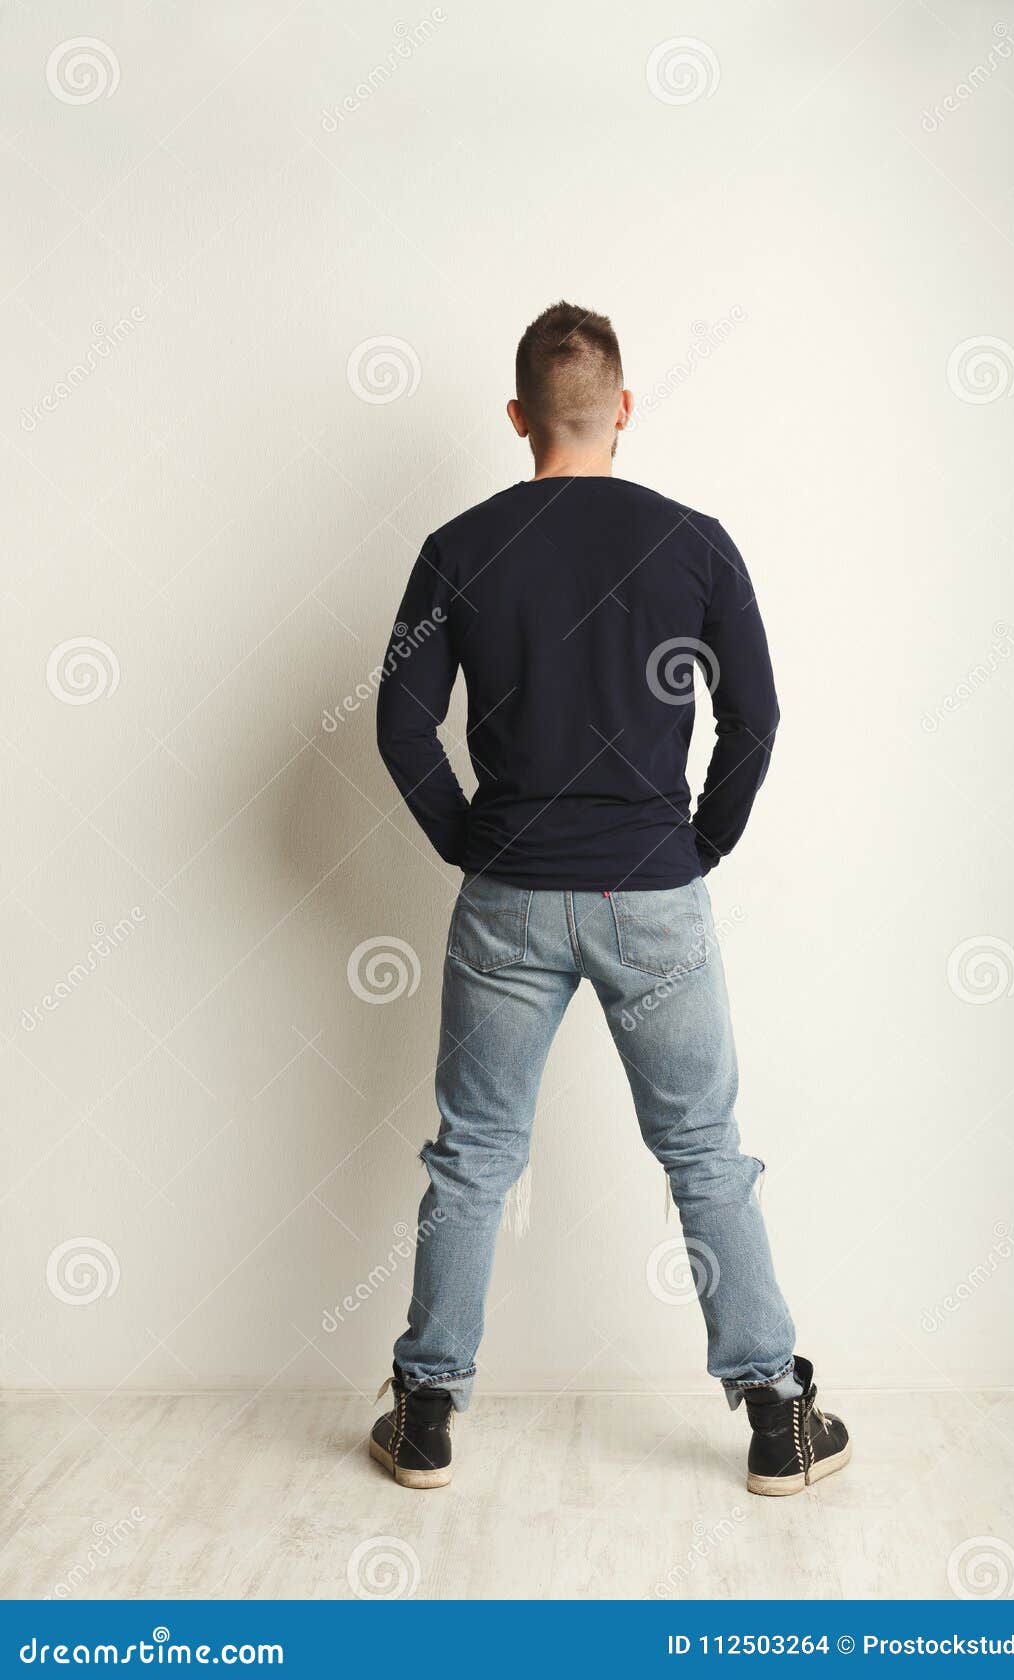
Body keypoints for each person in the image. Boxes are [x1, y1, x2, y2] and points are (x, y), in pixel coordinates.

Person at [371, 301, 850, 1496]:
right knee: (702, 1151)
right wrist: (700, 843)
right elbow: (757, 717)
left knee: (473, 1154)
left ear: (519, 417)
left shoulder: (458, 544)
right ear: (622, 408)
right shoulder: (692, 539)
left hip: (508, 898)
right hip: (654, 894)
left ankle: (425, 1413)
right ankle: (775, 1418)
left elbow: (396, 718)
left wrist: (465, 840)